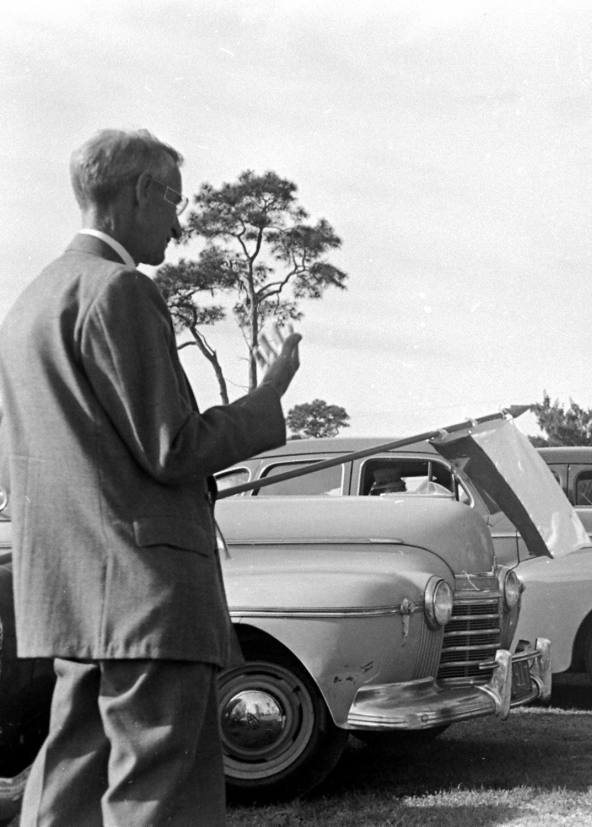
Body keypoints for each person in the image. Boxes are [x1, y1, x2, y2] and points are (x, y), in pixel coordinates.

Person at [0, 129, 302, 825]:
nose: (179, 220)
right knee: (160, 796)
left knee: (69, 788)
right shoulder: (121, 290)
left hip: (71, 597)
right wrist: (265, 404)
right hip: (146, 598)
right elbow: (172, 447)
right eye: (174, 200)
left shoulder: (29, 303)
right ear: (138, 193)